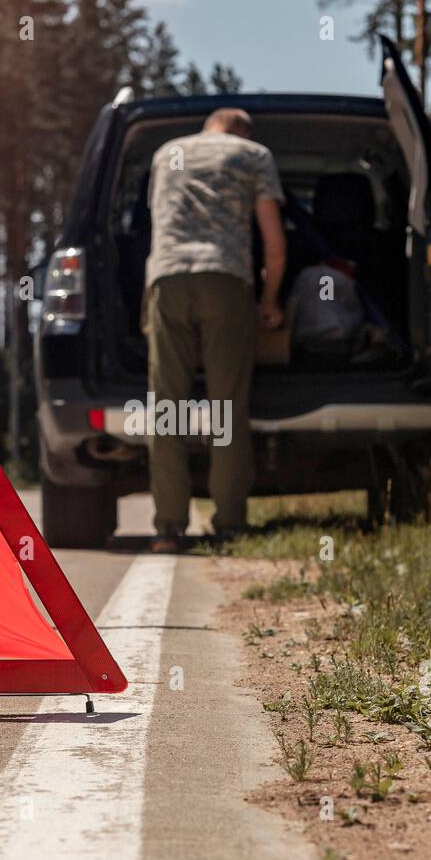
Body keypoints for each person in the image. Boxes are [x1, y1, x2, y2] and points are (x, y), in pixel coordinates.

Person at [142, 108, 286, 553]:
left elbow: (155, 221)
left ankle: (168, 528)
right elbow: (274, 243)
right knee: (225, 405)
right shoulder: (253, 154)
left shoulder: (167, 154)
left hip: (167, 279)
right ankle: (227, 525)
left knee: (167, 404)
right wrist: (269, 300)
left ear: (210, 124)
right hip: (224, 279)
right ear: (242, 127)